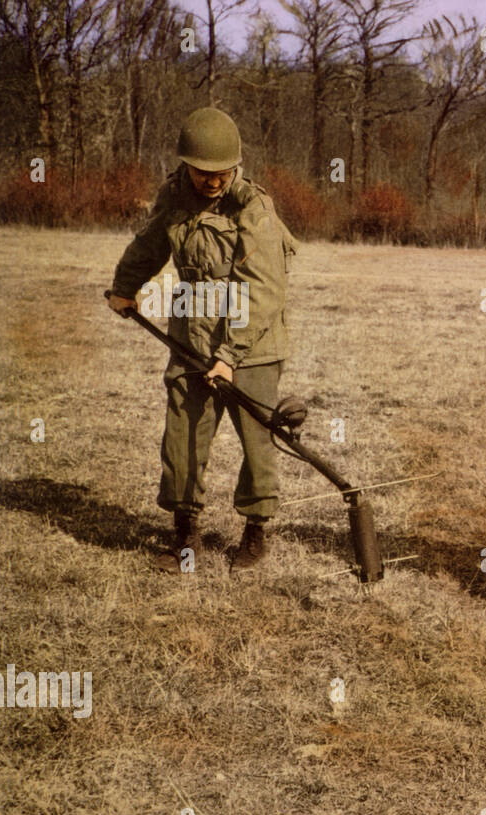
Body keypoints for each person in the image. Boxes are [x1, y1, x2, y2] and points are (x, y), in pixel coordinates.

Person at [106, 106, 296, 573]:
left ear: (236, 165)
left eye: (221, 172)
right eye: (202, 171)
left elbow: (264, 289)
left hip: (252, 342)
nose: (212, 181)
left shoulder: (254, 206)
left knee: (257, 440)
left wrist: (230, 355)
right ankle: (185, 534)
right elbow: (149, 244)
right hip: (191, 333)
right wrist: (125, 288)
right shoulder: (173, 195)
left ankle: (255, 532)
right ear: (185, 164)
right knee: (184, 435)